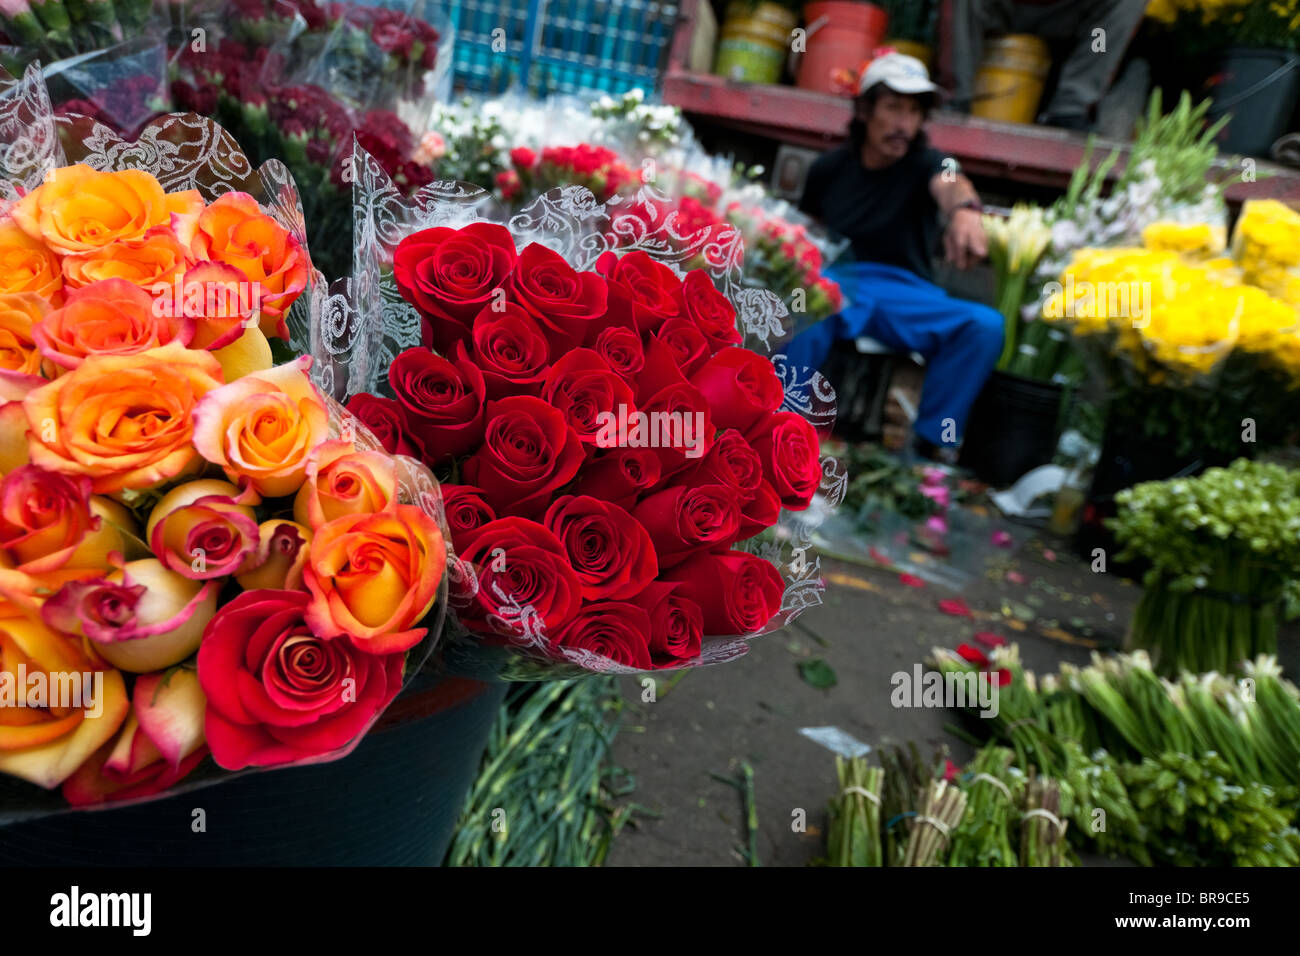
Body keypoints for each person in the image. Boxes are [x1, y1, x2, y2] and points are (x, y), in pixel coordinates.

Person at [787, 52, 1002, 460]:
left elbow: (953, 181)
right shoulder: (828, 170)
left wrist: (965, 211)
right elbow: (806, 234)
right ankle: (778, 426)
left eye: (914, 111)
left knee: (984, 325)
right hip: (841, 282)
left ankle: (930, 448)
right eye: (893, 108)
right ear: (866, 111)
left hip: (908, 294)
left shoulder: (931, 164)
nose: (904, 123)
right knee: (804, 302)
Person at [937, 0, 1148, 130]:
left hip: (1070, 16)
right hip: (999, 8)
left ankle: (1071, 108)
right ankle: (955, 97)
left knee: (1122, 8)